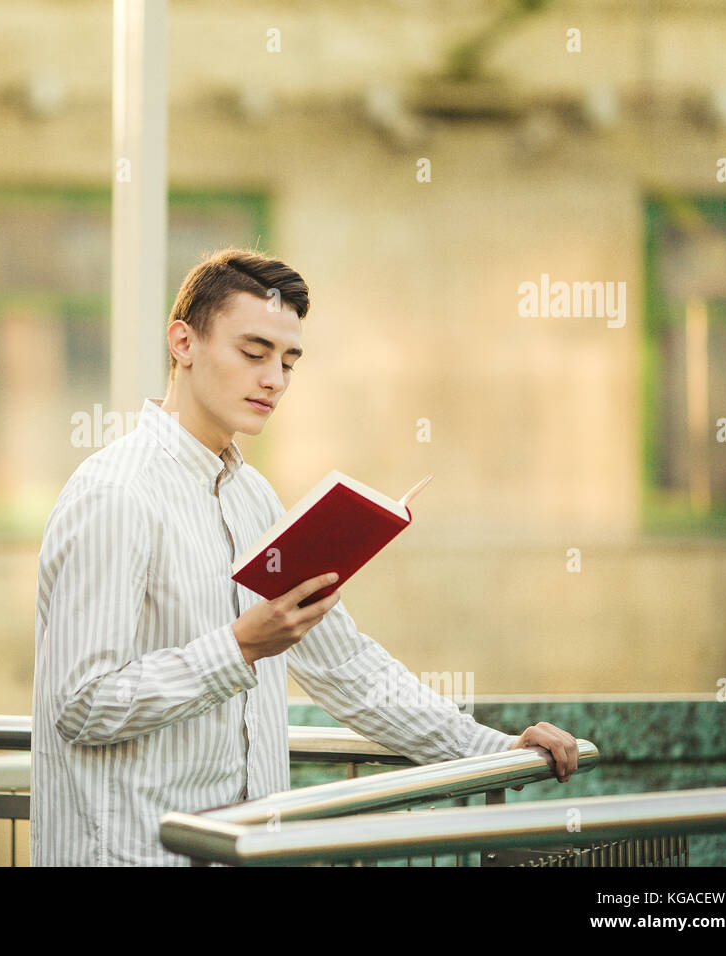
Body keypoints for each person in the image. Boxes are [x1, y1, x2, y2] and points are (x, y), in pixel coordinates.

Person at [30, 247, 579, 866]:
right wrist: (239, 647)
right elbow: (80, 705)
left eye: (289, 361)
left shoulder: (252, 496)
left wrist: (494, 749)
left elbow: (345, 666)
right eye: (254, 352)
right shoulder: (116, 493)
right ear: (182, 342)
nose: (275, 380)